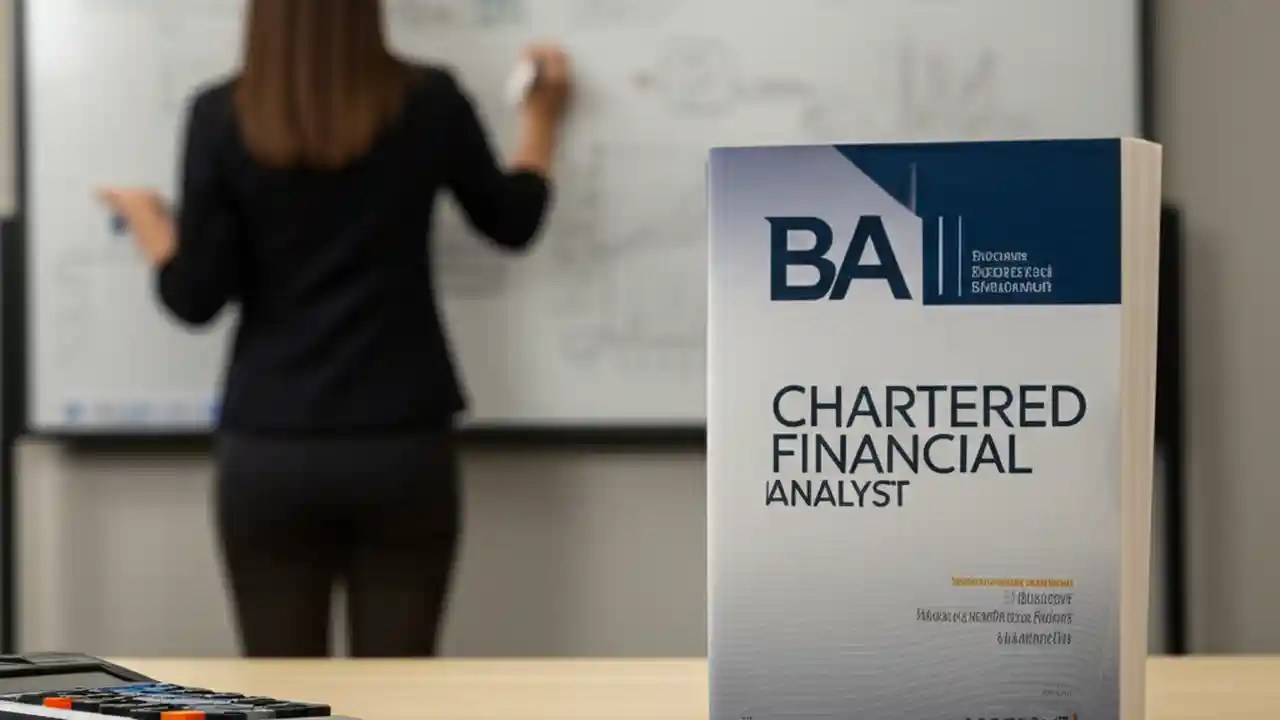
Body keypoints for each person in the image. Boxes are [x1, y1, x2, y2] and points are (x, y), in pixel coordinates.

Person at [98, 0, 572, 657]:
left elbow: (196, 297)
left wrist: (152, 224)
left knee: (283, 690)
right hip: (401, 445)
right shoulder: (429, 101)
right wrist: (541, 120)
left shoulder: (219, 115)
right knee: (398, 696)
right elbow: (513, 220)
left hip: (269, 448)